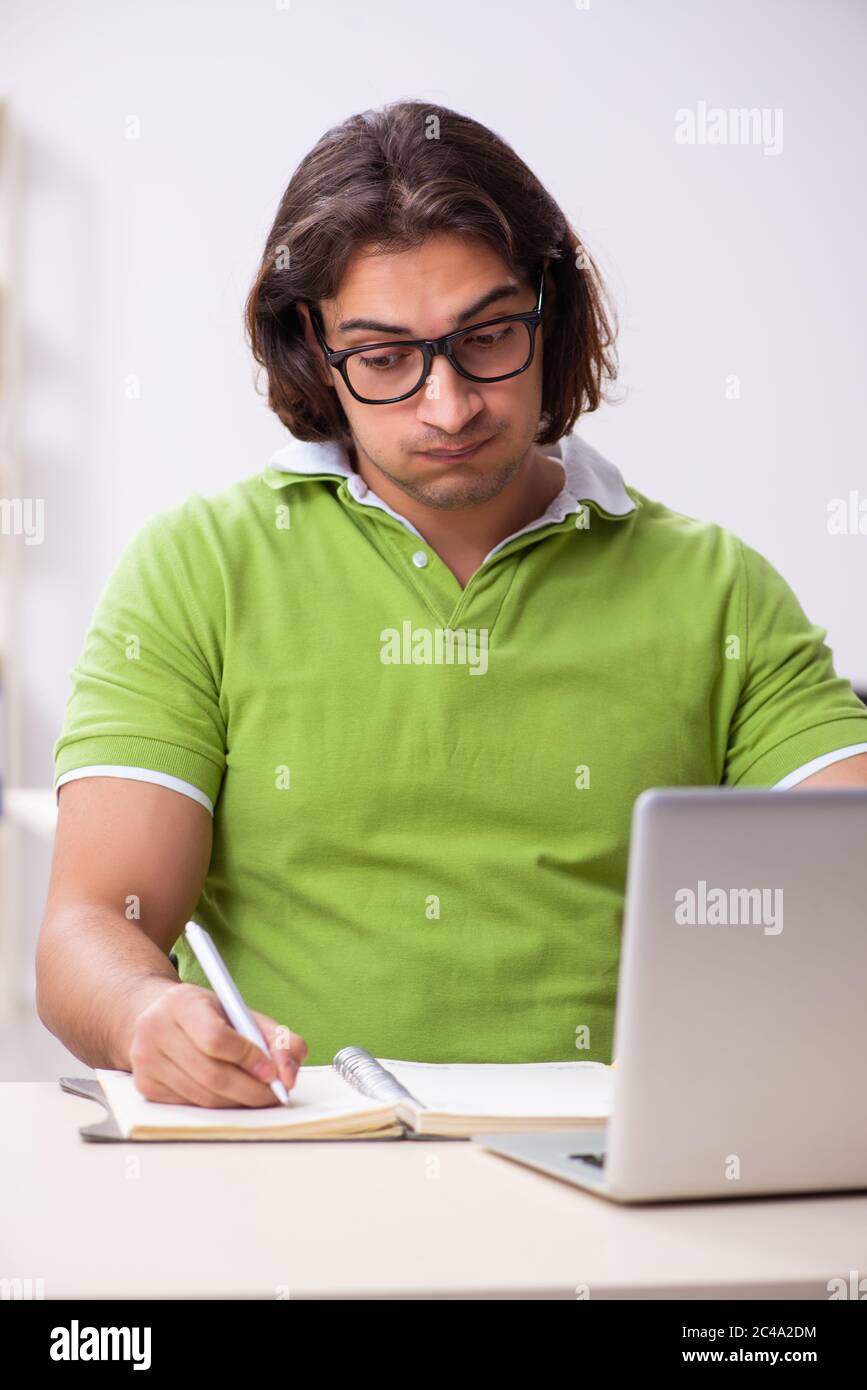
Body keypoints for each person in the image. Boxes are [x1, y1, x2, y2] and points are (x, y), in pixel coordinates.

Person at [37, 100, 867, 1108]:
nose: (451, 404)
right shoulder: (198, 567)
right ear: (313, 345)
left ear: (549, 312)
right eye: (385, 357)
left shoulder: (717, 584)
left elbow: (846, 876)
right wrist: (140, 1014)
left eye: (485, 336)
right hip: (298, 1167)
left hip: (622, 1170)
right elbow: (90, 923)